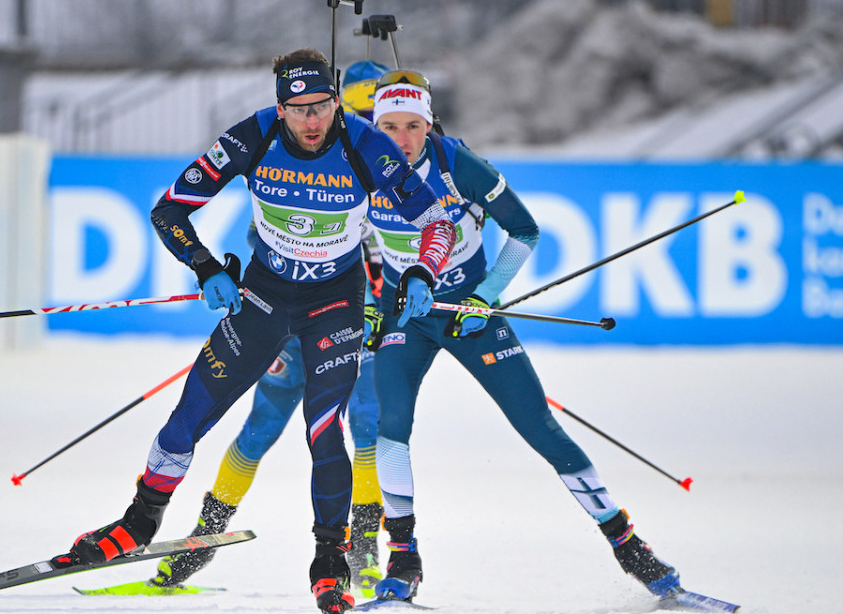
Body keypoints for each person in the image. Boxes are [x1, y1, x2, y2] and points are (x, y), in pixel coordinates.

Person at [52, 49, 455, 614]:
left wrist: (420, 272)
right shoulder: (252, 138)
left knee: (324, 431)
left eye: (321, 106)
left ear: (337, 100)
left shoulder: (365, 145)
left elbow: (437, 221)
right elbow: (169, 210)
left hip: (333, 305)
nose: (312, 121)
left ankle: (329, 562)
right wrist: (207, 268)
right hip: (263, 296)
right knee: (189, 416)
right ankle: (139, 524)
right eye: (298, 109)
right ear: (280, 107)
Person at [364, 70, 686, 604]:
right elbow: (351, 235)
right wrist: (374, 305)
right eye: (390, 126)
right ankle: (403, 557)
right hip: (407, 314)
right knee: (388, 427)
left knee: (538, 425)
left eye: (412, 126)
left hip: (467, 311)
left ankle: (631, 548)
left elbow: (525, 230)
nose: (400, 138)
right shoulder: (363, 162)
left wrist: (486, 296)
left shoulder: (457, 165)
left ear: (429, 124)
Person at [137, 60, 395, 601]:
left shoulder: (374, 151)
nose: (367, 121)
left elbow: (416, 228)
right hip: (280, 304)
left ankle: (363, 544)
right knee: (261, 426)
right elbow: (264, 226)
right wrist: (216, 271)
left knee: (361, 423)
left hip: (350, 315)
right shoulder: (293, 144)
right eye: (362, 107)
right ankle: (205, 536)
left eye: (378, 112)